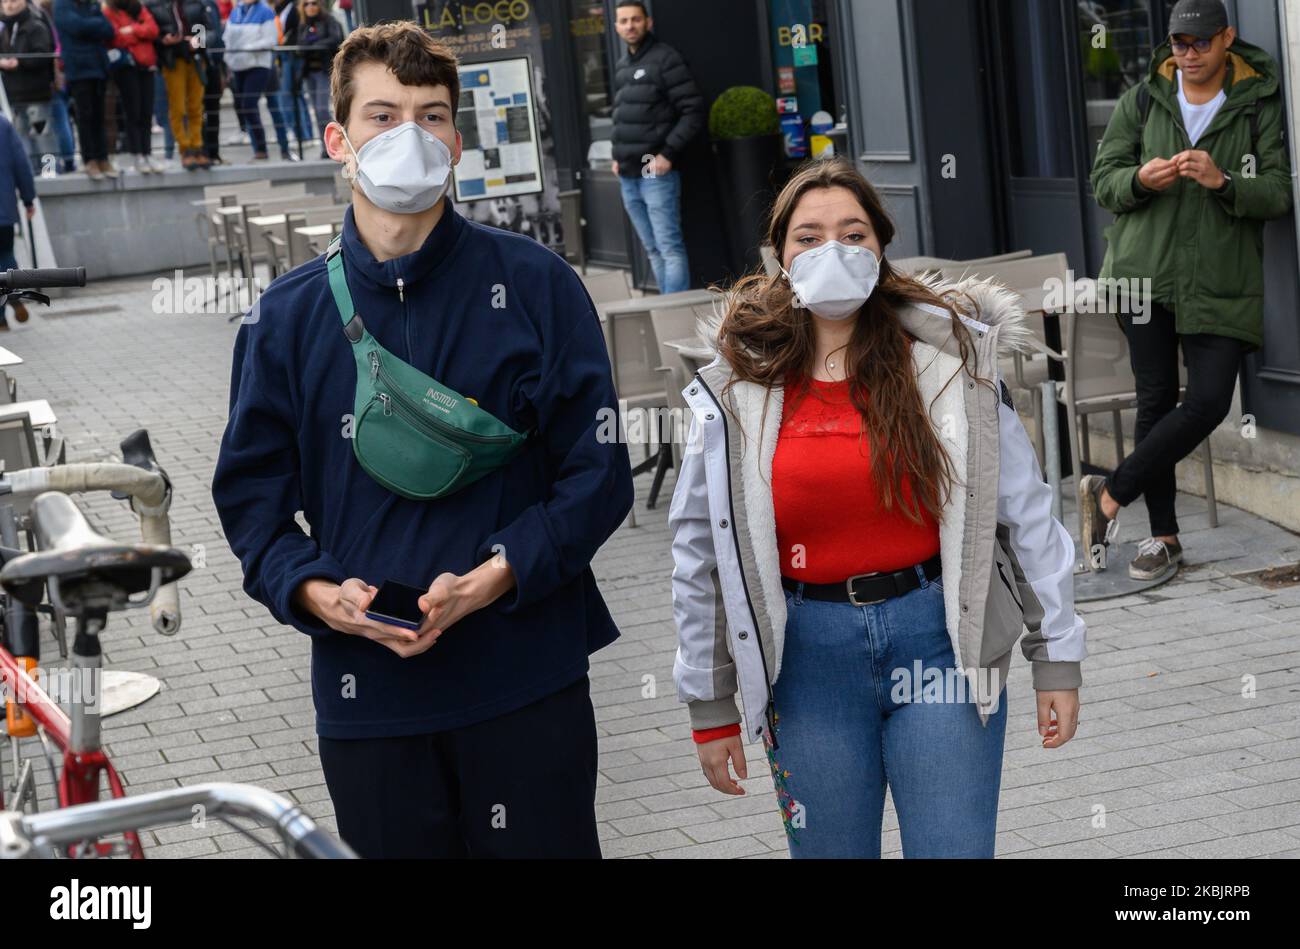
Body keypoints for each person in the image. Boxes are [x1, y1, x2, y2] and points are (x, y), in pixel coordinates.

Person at [211, 20, 634, 858]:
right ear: (338, 139)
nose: (410, 135)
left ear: (458, 139)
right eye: (382, 115)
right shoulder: (286, 319)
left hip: (526, 679)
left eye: (432, 115)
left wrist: (497, 573)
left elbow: (599, 469)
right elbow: (253, 506)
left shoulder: (536, 283)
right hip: (369, 699)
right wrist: (314, 593)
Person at [669, 157, 1086, 858]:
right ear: (779, 256)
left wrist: (1058, 660)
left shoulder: (952, 363)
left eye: (853, 233)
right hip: (804, 663)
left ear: (881, 247)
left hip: (940, 644)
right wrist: (710, 705)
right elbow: (701, 551)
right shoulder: (739, 384)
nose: (832, 250)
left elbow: (1027, 516)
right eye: (809, 236)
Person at [1085, 0, 1293, 582]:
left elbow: (1278, 192)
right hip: (1143, 274)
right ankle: (1163, 538)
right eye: (1179, 42)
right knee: (1153, 403)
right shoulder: (1144, 98)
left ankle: (1109, 494)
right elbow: (1104, 182)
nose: (1189, 54)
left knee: (1207, 401)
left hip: (1220, 280)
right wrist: (1139, 180)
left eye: (1201, 42)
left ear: (1228, 37)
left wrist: (1224, 181)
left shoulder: (1257, 104)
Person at [609, 0, 702, 295]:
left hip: (655, 173)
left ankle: (675, 317)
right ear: (616, 27)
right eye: (623, 21)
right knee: (652, 250)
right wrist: (617, 157)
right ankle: (666, 312)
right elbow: (626, 115)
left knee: (669, 248)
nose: (630, 26)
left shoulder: (666, 59)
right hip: (627, 175)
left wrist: (667, 155)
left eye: (635, 19)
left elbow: (694, 111)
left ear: (648, 23)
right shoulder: (623, 66)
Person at [53, 0, 115, 178]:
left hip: (98, 66)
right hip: (78, 68)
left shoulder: (92, 4)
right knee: (85, 116)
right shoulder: (62, 5)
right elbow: (76, 27)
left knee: (99, 116)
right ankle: (90, 160)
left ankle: (103, 158)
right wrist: (94, 24)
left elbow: (108, 29)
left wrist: (90, 25)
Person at [144, 0, 208, 169]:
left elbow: (208, 29)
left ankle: (197, 146)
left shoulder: (195, 3)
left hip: (195, 59)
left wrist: (198, 41)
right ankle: (185, 148)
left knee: (196, 106)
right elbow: (150, 34)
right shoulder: (153, 5)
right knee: (178, 107)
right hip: (172, 60)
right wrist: (164, 40)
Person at [0, 0, 57, 174]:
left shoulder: (36, 26)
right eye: (5, 2)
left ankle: (50, 172)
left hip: (36, 93)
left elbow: (44, 55)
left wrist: (20, 62)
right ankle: (27, 173)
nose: (9, 6)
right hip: (11, 95)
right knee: (18, 138)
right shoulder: (2, 29)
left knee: (43, 135)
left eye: (14, 1)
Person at [103, 0, 160, 174]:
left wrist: (132, 30)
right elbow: (116, 37)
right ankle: (138, 155)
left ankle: (148, 153)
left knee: (146, 112)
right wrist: (140, 32)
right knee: (133, 111)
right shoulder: (110, 11)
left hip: (148, 64)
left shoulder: (139, 8)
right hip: (128, 66)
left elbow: (154, 30)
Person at [222, 0, 277, 160]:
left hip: (258, 64)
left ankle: (261, 149)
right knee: (242, 106)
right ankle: (257, 149)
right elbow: (227, 38)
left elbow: (271, 40)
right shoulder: (237, 10)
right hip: (237, 65)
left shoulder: (265, 11)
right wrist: (228, 57)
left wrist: (247, 47)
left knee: (249, 104)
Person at [291, 0, 337, 160]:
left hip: (324, 71)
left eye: (314, 3)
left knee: (322, 110)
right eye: (306, 4)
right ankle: (326, 148)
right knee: (318, 114)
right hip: (309, 73)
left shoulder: (329, 20)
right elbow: (300, 47)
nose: (310, 6)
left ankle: (339, 140)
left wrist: (315, 43)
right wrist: (311, 44)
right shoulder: (303, 24)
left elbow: (335, 39)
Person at [0, 113, 34, 328]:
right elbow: (21, 163)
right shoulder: (3, 124)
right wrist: (28, 198)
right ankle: (13, 294)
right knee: (5, 254)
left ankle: (0, 318)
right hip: (3, 208)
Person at [197, 0, 224, 163]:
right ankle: (202, 151)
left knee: (213, 109)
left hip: (212, 62)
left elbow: (216, 33)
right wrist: (197, 43)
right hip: (195, 63)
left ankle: (213, 152)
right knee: (196, 110)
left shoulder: (210, 4)